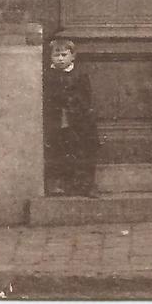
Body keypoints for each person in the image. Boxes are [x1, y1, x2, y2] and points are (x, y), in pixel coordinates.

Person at [43, 36, 98, 197]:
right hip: (55, 119)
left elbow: (86, 98)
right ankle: (58, 184)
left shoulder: (79, 75)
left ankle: (85, 184)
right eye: (56, 55)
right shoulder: (48, 75)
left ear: (73, 56)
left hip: (76, 120)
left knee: (80, 150)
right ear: (50, 57)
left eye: (64, 55)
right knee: (57, 150)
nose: (60, 59)